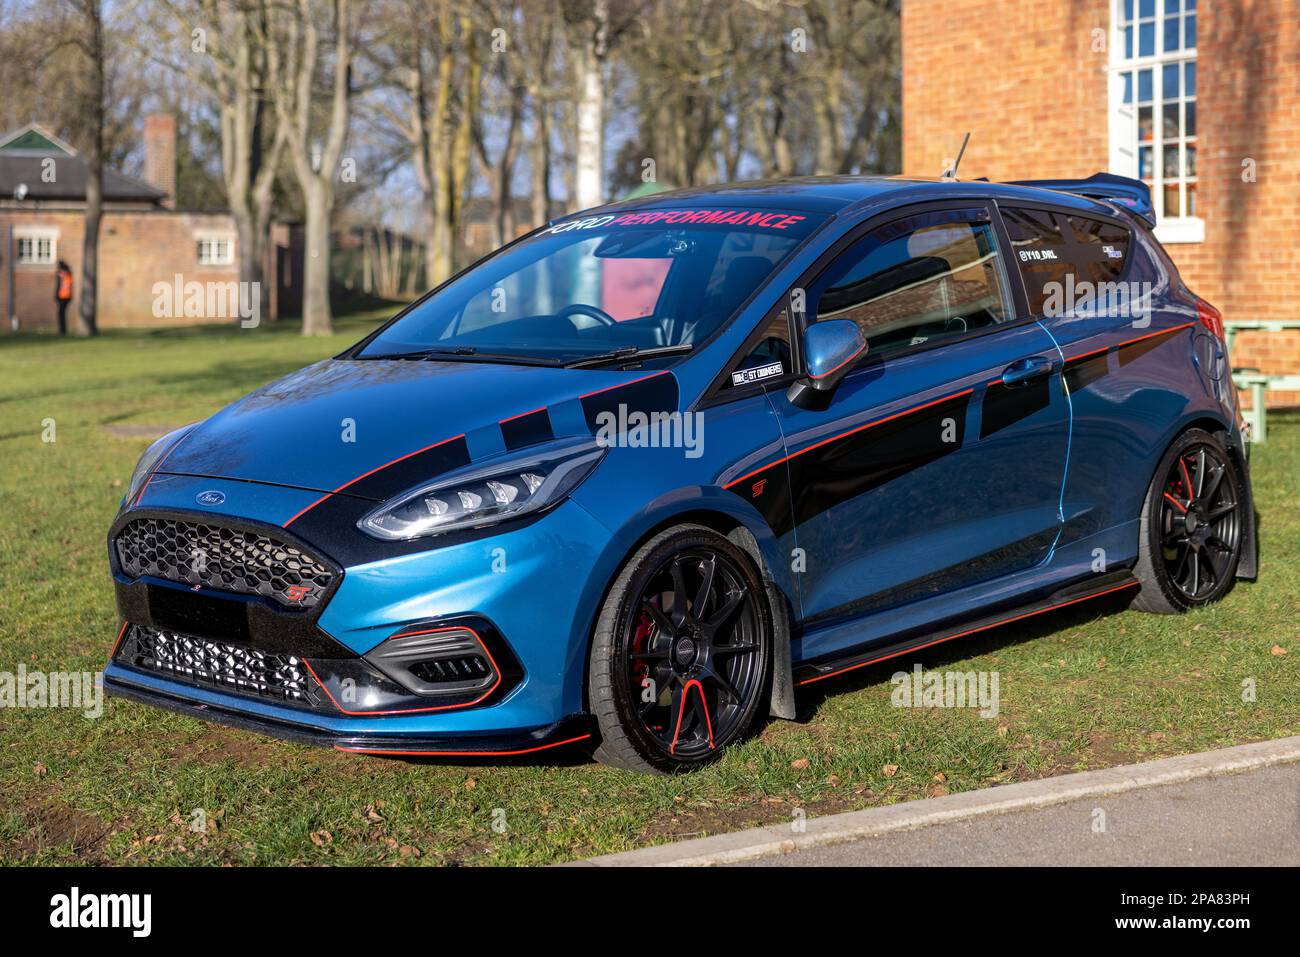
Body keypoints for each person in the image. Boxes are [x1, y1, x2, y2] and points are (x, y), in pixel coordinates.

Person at [54, 260, 74, 335]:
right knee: (62, 313)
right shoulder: (69, 274)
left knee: (61, 314)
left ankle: (62, 330)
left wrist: (56, 296)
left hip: (62, 297)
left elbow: (59, 286)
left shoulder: (62, 275)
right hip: (67, 297)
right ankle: (63, 330)